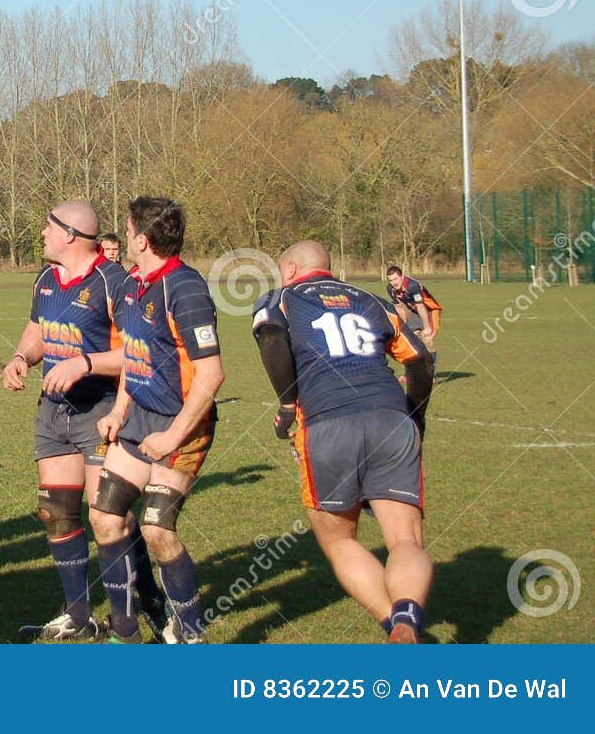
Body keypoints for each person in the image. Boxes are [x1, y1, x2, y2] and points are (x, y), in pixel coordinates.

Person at [1, 201, 170, 642]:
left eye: (48, 226)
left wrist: (85, 363)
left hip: (102, 413)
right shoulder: (44, 279)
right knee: (56, 511)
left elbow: (141, 352)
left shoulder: (114, 282)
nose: (41, 232)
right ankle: (78, 614)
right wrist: (21, 357)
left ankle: (133, 614)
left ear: (70, 234)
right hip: (53, 410)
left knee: (107, 517)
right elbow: (36, 330)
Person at [256, 241, 434, 642]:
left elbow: (270, 338)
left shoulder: (280, 298)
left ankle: (393, 626)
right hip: (390, 415)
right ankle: (407, 619)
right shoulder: (370, 299)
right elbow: (420, 359)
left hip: (327, 421)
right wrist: (415, 412)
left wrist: (287, 407)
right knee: (405, 538)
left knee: (339, 542)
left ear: (288, 268)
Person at [91, 196, 224, 643]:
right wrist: (117, 410)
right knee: (105, 516)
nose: (124, 237)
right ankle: (125, 630)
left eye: (128, 232)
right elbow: (134, 355)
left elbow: (211, 373)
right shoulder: (132, 285)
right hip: (138, 420)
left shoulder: (184, 288)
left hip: (182, 426)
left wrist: (173, 436)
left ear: (142, 239)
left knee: (155, 528)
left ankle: (190, 632)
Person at [385, 265, 442, 353]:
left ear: (402, 277)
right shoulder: (391, 289)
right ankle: (418, 365)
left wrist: (427, 327)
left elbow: (421, 306)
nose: (394, 283)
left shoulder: (412, 286)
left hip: (430, 310)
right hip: (415, 312)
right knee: (408, 340)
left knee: (427, 340)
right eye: (391, 280)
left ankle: (431, 365)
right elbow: (399, 308)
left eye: (395, 279)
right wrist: (403, 326)